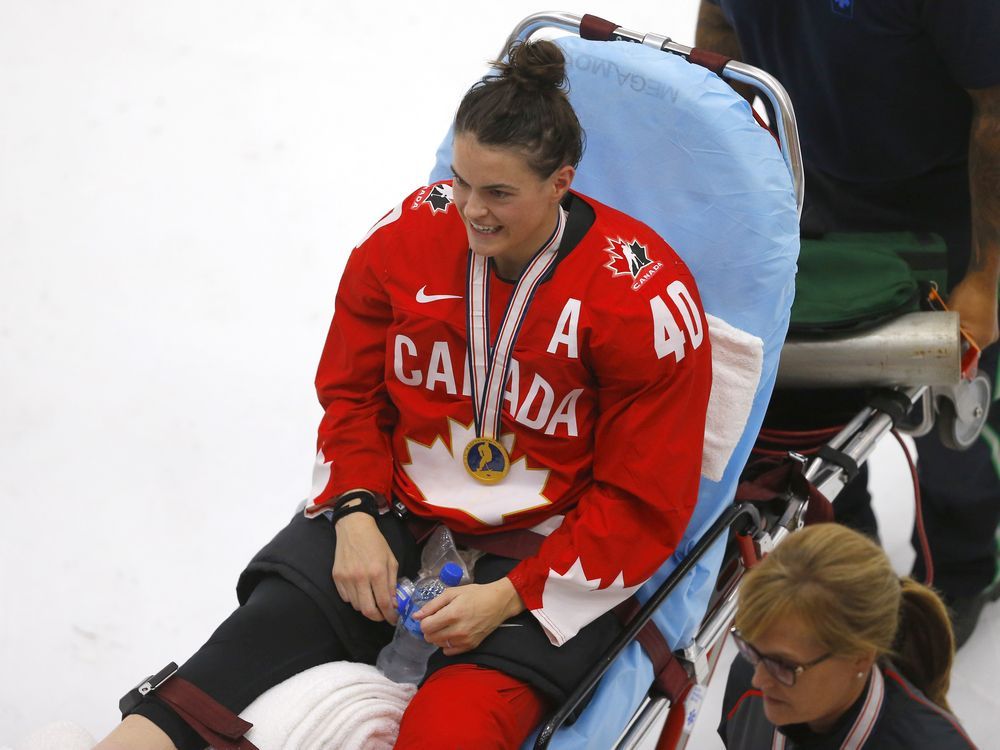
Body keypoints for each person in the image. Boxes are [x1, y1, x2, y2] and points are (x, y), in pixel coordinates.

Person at [94, 39, 713, 750]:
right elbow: (351, 397)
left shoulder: (642, 300)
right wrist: (354, 508)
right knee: (202, 687)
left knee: (450, 734)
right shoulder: (405, 238)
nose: (471, 212)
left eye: (500, 194)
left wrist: (512, 595)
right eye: (462, 182)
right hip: (393, 510)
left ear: (561, 182)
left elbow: (642, 499)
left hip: (545, 553)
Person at [695, 0, 1000, 647]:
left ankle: (963, 570)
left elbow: (996, 107)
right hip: (813, 190)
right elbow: (721, 25)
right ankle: (847, 560)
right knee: (812, 406)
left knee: (957, 429)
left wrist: (988, 278)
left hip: (948, 206)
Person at [719, 523, 976, 749]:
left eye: (783, 665)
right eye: (751, 649)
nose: (758, 679)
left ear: (860, 657)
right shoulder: (748, 682)